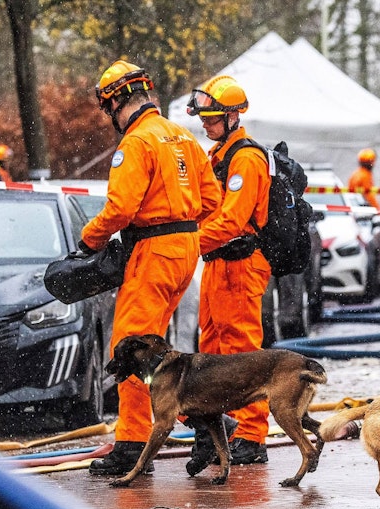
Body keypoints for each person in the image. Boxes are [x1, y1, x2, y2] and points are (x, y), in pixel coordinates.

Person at [81, 59, 222, 476]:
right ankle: (204, 417)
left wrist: (89, 240)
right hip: (185, 249)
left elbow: (120, 208)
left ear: (116, 102)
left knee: (127, 349)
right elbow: (211, 200)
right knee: (157, 352)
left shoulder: (138, 142)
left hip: (153, 252)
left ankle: (131, 445)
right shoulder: (183, 137)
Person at [182, 74, 272, 473]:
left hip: (240, 263)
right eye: (204, 118)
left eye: (213, 118)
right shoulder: (221, 155)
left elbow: (234, 219)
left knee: (242, 352)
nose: (207, 124)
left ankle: (251, 435)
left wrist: (188, 243)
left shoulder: (246, 159)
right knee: (213, 350)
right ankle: (224, 429)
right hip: (219, 264)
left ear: (234, 116)